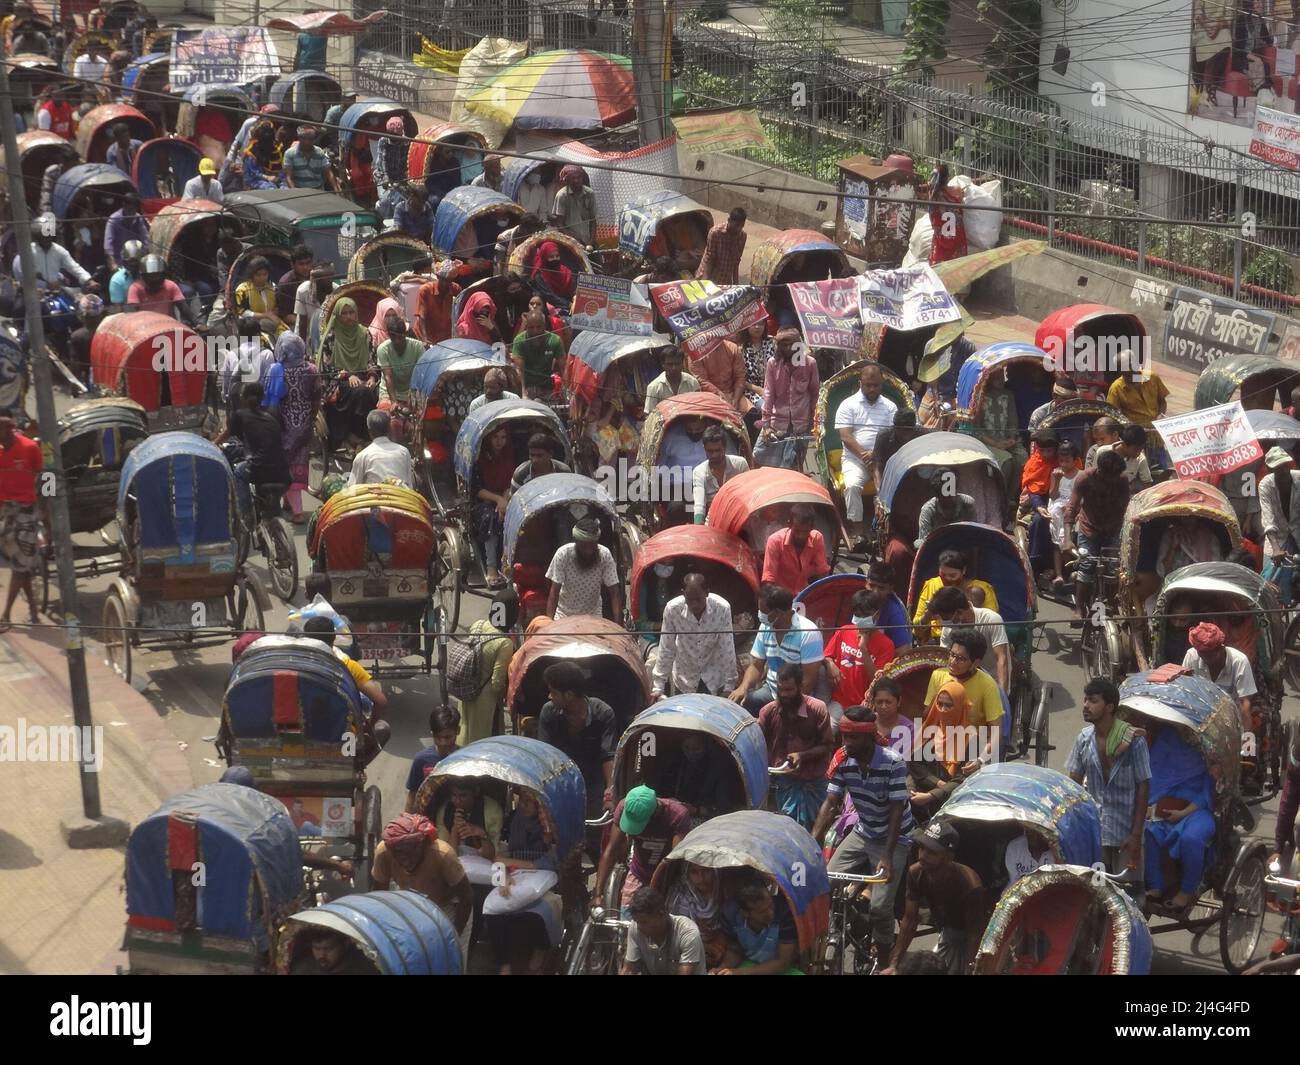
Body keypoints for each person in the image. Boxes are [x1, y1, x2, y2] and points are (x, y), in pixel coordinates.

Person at [811, 705, 913, 971]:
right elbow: (831, 803)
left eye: (852, 737)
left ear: (868, 737)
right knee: (824, 882)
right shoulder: (843, 760)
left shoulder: (893, 762)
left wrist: (887, 857)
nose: (846, 742)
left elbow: (896, 810)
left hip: (895, 837)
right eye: (844, 736)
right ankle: (838, 925)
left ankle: (883, 959)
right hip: (862, 832)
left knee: (881, 908)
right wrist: (812, 839)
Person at [1066, 677, 1151, 885]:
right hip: (1096, 837)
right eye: (1085, 700)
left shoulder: (1134, 742)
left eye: (1093, 701)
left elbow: (1143, 787)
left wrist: (1136, 836)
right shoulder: (1083, 739)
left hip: (1126, 836)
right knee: (1097, 894)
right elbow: (1074, 787)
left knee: (1129, 898)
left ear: (1110, 707)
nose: (1085, 705)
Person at [884, 821, 988, 975]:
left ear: (948, 856)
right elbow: (909, 920)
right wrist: (894, 964)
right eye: (921, 848)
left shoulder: (970, 885)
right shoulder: (915, 873)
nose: (922, 855)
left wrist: (970, 970)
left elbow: (974, 934)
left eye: (931, 852)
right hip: (947, 931)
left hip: (972, 934)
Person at [370, 813, 474, 955]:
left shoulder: (443, 854)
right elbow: (379, 897)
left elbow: (466, 897)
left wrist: (454, 936)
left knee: (450, 959)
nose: (404, 859)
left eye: (409, 852)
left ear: (423, 844)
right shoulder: (383, 852)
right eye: (397, 853)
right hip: (414, 905)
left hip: (450, 906)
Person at [1143, 718, 1217, 913]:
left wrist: (1184, 813)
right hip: (1164, 806)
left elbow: (1207, 792)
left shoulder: (1205, 746)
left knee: (1191, 838)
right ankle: (1156, 885)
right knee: (1146, 831)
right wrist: (1153, 807)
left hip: (1198, 810)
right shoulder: (1165, 739)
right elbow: (1154, 779)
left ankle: (1187, 891)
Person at [537, 661, 618, 817]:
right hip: (560, 778)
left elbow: (608, 756)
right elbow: (544, 755)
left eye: (553, 692)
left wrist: (610, 792)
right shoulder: (549, 712)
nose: (549, 696)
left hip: (593, 780)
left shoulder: (603, 713)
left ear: (568, 695)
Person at [758, 663, 835, 829]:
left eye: (789, 690)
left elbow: (827, 746)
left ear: (801, 687)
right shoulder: (768, 712)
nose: (784, 695)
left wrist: (802, 755)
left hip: (814, 783)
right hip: (782, 783)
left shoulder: (817, 709)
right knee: (782, 831)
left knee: (815, 832)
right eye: (781, 689)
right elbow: (757, 743)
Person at [730, 586, 824, 715]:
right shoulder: (765, 627)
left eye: (763, 611)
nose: (759, 615)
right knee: (738, 707)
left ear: (778, 613)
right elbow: (757, 666)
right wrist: (743, 687)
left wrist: (780, 706)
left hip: (795, 698)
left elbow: (808, 682)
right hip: (770, 690)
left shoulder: (808, 633)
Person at [597, 784, 691, 910]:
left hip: (669, 876)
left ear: (653, 815)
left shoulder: (677, 815)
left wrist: (654, 889)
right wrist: (598, 893)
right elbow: (611, 849)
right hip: (639, 871)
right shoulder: (624, 806)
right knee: (626, 915)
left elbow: (675, 858)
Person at [1063, 448, 1132, 617]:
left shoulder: (1122, 481)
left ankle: (1112, 602)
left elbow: (1127, 509)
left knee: (1114, 569)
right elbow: (1071, 508)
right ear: (1101, 471)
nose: (1113, 480)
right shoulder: (1085, 479)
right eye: (1111, 477)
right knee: (1087, 566)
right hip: (1089, 529)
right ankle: (1079, 608)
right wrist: (1067, 538)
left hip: (1113, 529)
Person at [835, 363, 897, 546]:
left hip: (882, 458)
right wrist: (865, 455)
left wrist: (876, 455)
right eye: (868, 385)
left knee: (894, 487)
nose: (872, 389)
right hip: (854, 459)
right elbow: (845, 437)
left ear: (881, 384)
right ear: (860, 383)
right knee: (853, 486)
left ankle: (887, 529)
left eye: (876, 385)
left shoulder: (890, 407)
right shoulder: (848, 405)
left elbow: (894, 435)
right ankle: (858, 530)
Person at [650, 571, 739, 699]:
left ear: (707, 593)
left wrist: (729, 686)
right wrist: (658, 686)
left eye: (698, 599)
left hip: (713, 678)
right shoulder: (672, 610)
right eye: (690, 600)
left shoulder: (722, 608)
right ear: (683, 594)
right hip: (685, 679)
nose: (694, 605)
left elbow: (727, 647)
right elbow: (666, 648)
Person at [922, 629, 1004, 764]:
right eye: (952, 655)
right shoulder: (938, 676)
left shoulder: (987, 684)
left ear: (976, 663)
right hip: (939, 743)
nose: (953, 661)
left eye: (960, 659)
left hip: (972, 746)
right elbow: (927, 717)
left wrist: (980, 760)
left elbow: (996, 730)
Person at [261, 332, 318, 522]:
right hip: (305, 423)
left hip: (283, 424)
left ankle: (298, 512)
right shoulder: (312, 370)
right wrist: (311, 417)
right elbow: (317, 396)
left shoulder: (276, 370)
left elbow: (267, 396)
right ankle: (289, 502)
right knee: (299, 463)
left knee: (285, 464)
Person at [214, 381, 291, 519]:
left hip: (259, 468)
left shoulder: (239, 415)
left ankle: (245, 514)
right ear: (262, 397)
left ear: (243, 397)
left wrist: (213, 444)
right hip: (285, 473)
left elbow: (228, 434)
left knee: (239, 472)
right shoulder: (273, 415)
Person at [0, 416, 47, 632]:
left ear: (10, 429)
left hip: (27, 513)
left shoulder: (30, 448)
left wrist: (46, 508)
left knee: (20, 565)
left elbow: (48, 476)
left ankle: (6, 614)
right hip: (6, 514)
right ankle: (35, 613)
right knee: (22, 564)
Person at [822, 589, 896, 725]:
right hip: (838, 701)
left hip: (865, 706)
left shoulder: (886, 645)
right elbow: (826, 655)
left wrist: (863, 648)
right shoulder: (844, 631)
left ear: (876, 614)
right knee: (828, 729)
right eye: (858, 614)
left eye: (865, 615)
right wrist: (830, 664)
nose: (861, 619)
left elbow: (878, 681)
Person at [908, 681, 978, 822]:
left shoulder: (971, 738)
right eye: (939, 704)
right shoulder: (929, 730)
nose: (943, 709)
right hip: (921, 795)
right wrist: (937, 783)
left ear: (960, 706)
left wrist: (933, 795)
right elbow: (915, 764)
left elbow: (963, 778)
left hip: (953, 802)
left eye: (949, 705)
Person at [926, 585, 1010, 694]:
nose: (943, 622)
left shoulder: (991, 619)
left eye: (945, 617)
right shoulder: (948, 629)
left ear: (959, 612)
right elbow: (945, 660)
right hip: (963, 686)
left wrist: (1002, 696)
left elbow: (1001, 658)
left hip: (993, 683)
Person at [319, 297, 379, 448]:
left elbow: (372, 359)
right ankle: (355, 434)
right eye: (344, 313)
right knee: (360, 392)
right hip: (338, 379)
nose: (348, 317)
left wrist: (372, 376)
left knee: (368, 390)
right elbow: (325, 367)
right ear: (338, 316)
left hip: (363, 377)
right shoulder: (331, 336)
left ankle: (367, 432)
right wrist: (347, 374)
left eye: (351, 312)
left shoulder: (365, 334)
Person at [757, 328, 819, 468]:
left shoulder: (810, 364)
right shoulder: (773, 363)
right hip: (777, 421)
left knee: (794, 465)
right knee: (761, 457)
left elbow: (815, 393)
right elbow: (768, 394)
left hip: (801, 423)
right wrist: (766, 425)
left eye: (791, 344)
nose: (787, 348)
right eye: (783, 345)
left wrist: (814, 423)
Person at [715, 879, 803, 975]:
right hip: (750, 965)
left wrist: (739, 973)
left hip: (781, 969)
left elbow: (783, 963)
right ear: (745, 913)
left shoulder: (784, 912)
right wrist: (722, 969)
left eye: (770, 905)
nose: (771, 913)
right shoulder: (730, 915)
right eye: (762, 912)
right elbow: (735, 950)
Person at [545, 517, 623, 621]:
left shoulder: (604, 555)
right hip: (564, 615)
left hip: (593, 615)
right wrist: (549, 623)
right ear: (576, 541)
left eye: (592, 545)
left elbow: (614, 593)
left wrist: (618, 626)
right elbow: (554, 591)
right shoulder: (563, 554)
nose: (589, 551)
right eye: (584, 546)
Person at [913, 549, 1000, 640]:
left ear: (964, 570)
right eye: (943, 575)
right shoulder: (932, 585)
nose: (947, 579)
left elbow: (992, 624)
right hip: (936, 642)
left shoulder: (981, 589)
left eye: (952, 575)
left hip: (972, 640)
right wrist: (927, 616)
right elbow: (916, 627)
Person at [621, 886, 706, 975]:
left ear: (661, 914)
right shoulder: (635, 927)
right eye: (637, 922)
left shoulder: (687, 932)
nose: (640, 927)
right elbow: (629, 969)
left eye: (644, 922)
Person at [1182, 621, 1255, 722]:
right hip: (1200, 714)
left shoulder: (1239, 661)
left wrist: (1247, 734)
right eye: (1203, 655)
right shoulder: (1191, 656)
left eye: (1211, 656)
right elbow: (1185, 692)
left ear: (1222, 648)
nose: (1208, 660)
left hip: (1231, 716)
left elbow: (1244, 703)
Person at [473, 424, 514, 588]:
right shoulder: (480, 458)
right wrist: (498, 500)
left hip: (505, 499)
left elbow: (510, 483)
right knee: (490, 517)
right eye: (496, 437)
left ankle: (508, 565)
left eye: (503, 438)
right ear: (489, 438)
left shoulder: (508, 455)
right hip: (482, 502)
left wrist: (504, 501)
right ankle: (491, 567)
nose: (499, 442)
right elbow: (476, 489)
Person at [761, 503, 830, 595]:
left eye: (805, 531)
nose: (800, 536)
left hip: (804, 594)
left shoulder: (817, 538)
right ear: (789, 524)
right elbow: (769, 579)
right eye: (797, 530)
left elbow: (823, 571)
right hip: (780, 596)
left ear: (812, 527)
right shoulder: (775, 541)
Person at [1108, 363, 1170, 464]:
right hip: (1135, 441)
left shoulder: (1152, 377)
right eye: (1127, 374)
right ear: (1120, 372)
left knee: (1161, 469)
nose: (1132, 377)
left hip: (1156, 436)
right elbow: (1114, 415)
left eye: (1134, 372)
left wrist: (1160, 415)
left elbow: (1162, 401)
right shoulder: (1116, 388)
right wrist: (1129, 426)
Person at [667, 863, 727, 968]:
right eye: (694, 872)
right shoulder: (679, 895)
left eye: (706, 871)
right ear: (687, 873)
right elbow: (673, 932)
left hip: (720, 946)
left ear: (714, 871)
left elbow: (730, 927)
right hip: (687, 948)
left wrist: (720, 945)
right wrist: (703, 947)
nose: (701, 878)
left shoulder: (724, 891)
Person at [1260, 446, 1300, 601]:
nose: (1283, 471)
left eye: (1284, 466)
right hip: (1277, 536)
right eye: (1278, 468)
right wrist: (1276, 549)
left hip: (1298, 531)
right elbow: (1268, 518)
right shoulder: (1265, 485)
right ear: (1270, 469)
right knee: (1270, 580)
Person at [405, 706, 462, 812]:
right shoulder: (421, 760)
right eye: (438, 737)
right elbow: (413, 794)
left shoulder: (465, 759)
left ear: (458, 731)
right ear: (432, 733)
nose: (443, 742)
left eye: (447, 737)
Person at [16, 213, 91, 290]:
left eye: (49, 235)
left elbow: (74, 268)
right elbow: (20, 273)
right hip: (32, 294)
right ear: (36, 236)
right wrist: (45, 284)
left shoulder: (59, 250)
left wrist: (88, 280)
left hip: (55, 293)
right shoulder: (27, 251)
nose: (47, 238)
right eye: (43, 236)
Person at [691, 425, 748, 523]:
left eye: (718, 450)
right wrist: (698, 527)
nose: (714, 455)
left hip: (739, 516)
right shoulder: (699, 472)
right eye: (710, 451)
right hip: (714, 519)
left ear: (725, 448)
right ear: (704, 448)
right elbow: (699, 505)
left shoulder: (740, 464)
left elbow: (749, 494)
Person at [1046, 439, 1083, 590]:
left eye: (1067, 461)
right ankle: (1059, 574)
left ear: (1075, 460)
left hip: (1074, 510)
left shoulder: (1081, 476)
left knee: (1069, 538)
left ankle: (1070, 572)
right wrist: (1057, 479)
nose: (1063, 464)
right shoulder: (1055, 473)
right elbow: (1053, 496)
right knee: (1057, 543)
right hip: (1058, 510)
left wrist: (1076, 510)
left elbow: (1083, 499)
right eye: (1061, 461)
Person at [347, 410, 414, 488]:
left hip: (374, 499)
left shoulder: (362, 456)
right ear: (389, 429)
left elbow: (353, 488)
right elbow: (409, 484)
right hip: (403, 498)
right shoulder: (404, 452)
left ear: (369, 432)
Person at [510, 308, 565, 399]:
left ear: (544, 326)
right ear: (526, 327)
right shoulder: (519, 340)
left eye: (539, 327)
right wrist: (523, 394)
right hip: (527, 387)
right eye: (531, 327)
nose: (535, 331)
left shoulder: (555, 340)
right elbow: (519, 370)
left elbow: (563, 368)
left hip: (547, 388)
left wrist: (565, 392)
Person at [915, 473, 978, 549]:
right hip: (937, 549)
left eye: (952, 494)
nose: (950, 499)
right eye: (945, 496)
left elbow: (974, 533)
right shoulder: (928, 510)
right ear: (937, 496)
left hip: (964, 545)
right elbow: (923, 542)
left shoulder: (968, 504)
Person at [128, 256, 194, 324]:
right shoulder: (135, 288)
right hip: (144, 328)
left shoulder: (171, 286)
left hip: (169, 326)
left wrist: (197, 323)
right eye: (150, 276)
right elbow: (132, 314)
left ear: (164, 274)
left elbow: (183, 307)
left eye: (157, 275)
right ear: (143, 276)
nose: (154, 279)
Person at [375, 315, 423, 410]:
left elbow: (421, 373)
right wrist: (394, 402)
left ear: (405, 333)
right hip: (389, 393)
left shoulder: (418, 346)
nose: (397, 341)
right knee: (388, 415)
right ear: (388, 335)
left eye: (400, 337)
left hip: (411, 390)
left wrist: (413, 392)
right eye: (393, 337)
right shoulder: (383, 349)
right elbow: (388, 376)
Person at [864, 562, 914, 649]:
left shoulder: (894, 612)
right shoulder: (858, 600)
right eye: (872, 586)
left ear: (890, 589)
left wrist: (882, 656)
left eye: (881, 588)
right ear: (866, 583)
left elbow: (904, 649)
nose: (875, 592)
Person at [289, 928, 378, 975]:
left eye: (329, 949)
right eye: (317, 949)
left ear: (345, 945)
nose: (322, 955)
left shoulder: (363, 969)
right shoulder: (303, 970)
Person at [927, 165, 967, 264]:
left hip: (941, 236)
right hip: (956, 234)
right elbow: (962, 208)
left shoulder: (933, 195)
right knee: (957, 265)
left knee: (938, 265)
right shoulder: (957, 190)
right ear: (947, 178)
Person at [696, 207, 747, 286]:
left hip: (725, 280)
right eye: (736, 225)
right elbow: (710, 259)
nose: (739, 229)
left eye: (742, 225)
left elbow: (736, 262)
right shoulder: (715, 233)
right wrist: (705, 283)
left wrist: (736, 285)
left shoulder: (742, 236)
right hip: (709, 277)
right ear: (729, 220)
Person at [414, 260, 461, 344]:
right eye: (443, 279)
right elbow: (421, 316)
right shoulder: (425, 290)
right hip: (426, 335)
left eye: (449, 280)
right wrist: (424, 339)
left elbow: (460, 313)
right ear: (438, 277)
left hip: (445, 337)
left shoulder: (456, 289)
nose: (446, 283)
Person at [550, 164, 597, 246]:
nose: (576, 180)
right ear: (567, 180)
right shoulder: (562, 195)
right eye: (573, 178)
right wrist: (573, 239)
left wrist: (592, 240)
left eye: (579, 177)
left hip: (587, 240)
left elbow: (593, 220)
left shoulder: (589, 193)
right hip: (569, 242)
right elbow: (559, 224)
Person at [1095, 423, 1154, 487]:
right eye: (1135, 449)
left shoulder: (1141, 459)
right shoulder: (1102, 452)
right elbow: (1094, 477)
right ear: (1123, 444)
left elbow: (1147, 483)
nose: (1138, 453)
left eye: (1141, 449)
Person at [283, 125, 338, 191]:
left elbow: (328, 173)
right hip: (299, 192)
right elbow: (289, 177)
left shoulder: (319, 152)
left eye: (311, 139)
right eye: (304, 138)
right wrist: (296, 193)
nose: (307, 141)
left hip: (317, 191)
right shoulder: (290, 153)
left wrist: (337, 190)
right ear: (299, 137)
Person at [103, 193, 149, 274]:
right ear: (124, 206)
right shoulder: (113, 219)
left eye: (135, 209)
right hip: (119, 262)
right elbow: (108, 246)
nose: (133, 212)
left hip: (136, 261)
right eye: (130, 209)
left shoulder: (138, 218)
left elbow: (145, 240)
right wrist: (113, 264)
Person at [644, 345, 700, 409]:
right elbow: (649, 414)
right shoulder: (654, 387)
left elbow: (699, 408)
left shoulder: (692, 382)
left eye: (677, 364)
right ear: (663, 365)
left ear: (682, 363)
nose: (674, 368)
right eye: (670, 364)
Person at [66, 293, 103, 388]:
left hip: (90, 380)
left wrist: (74, 385)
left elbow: (75, 364)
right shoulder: (109, 331)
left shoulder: (77, 336)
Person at [529, 239, 576, 310]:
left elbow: (573, 288)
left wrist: (575, 298)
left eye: (557, 256)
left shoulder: (565, 270)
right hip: (552, 308)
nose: (555, 259)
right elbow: (549, 296)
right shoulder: (540, 275)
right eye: (551, 257)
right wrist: (569, 305)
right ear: (544, 258)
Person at [242, 120, 285, 190]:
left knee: (285, 188)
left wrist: (278, 177)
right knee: (271, 189)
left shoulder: (277, 149)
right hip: (256, 181)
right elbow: (253, 173)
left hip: (276, 179)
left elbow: (282, 169)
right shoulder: (251, 152)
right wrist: (267, 177)